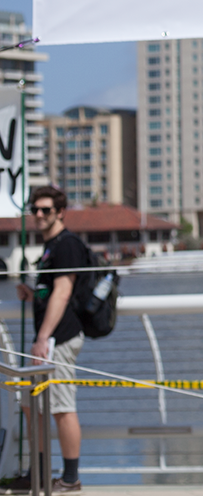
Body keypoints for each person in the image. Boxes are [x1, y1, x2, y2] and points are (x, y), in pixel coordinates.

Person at [11, 185, 88, 493]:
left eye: (45, 209)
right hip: (46, 339)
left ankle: (70, 479)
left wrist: (43, 338)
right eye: (35, 210)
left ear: (60, 212)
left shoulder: (66, 244)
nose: (39, 215)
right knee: (34, 406)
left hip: (59, 339)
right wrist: (32, 295)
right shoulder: (50, 247)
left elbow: (64, 291)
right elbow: (50, 292)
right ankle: (38, 472)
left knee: (60, 406)